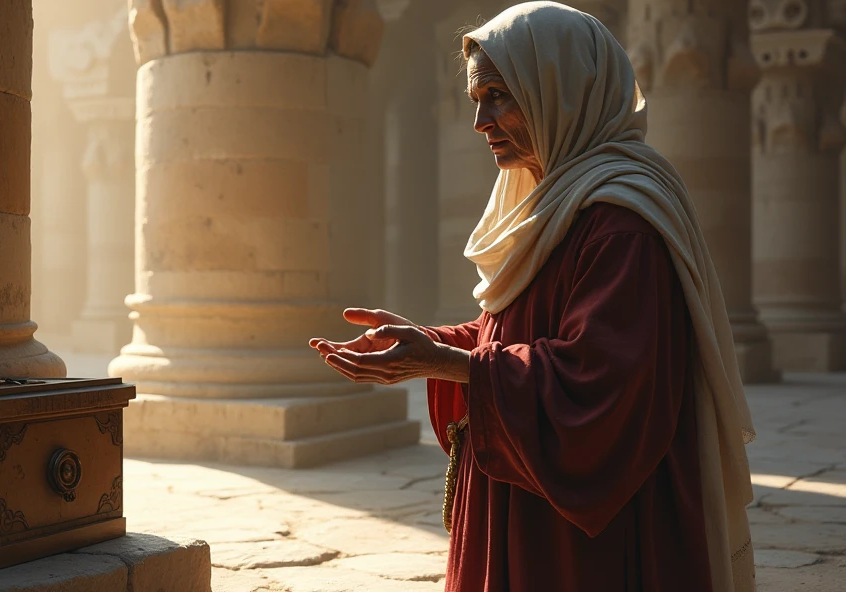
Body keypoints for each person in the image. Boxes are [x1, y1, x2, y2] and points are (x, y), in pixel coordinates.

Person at [308, 2, 758, 591]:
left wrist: (450, 365)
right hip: (530, 497)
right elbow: (517, 330)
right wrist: (430, 344)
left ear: (563, 91)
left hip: (582, 537)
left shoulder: (622, 221)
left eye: (499, 95)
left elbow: (603, 384)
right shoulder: (555, 200)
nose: (480, 121)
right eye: (476, 100)